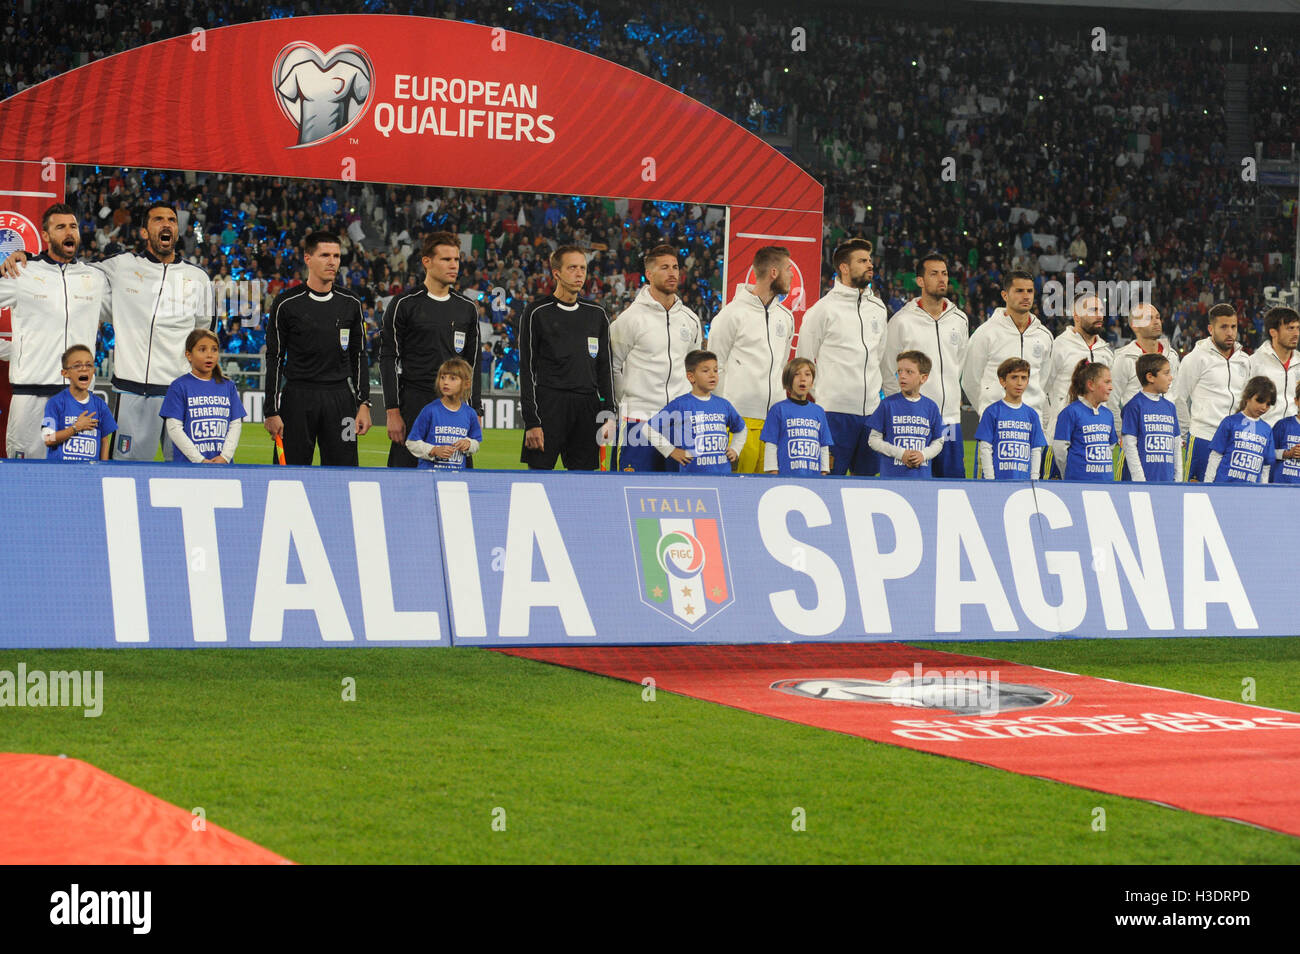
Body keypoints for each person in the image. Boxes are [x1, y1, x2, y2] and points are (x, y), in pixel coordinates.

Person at [0, 203, 110, 459]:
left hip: (78, 401)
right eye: (60, 227)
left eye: (73, 226)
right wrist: (11, 350)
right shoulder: (22, 272)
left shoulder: (94, 278)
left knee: (76, 486)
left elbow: (126, 318)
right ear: (46, 236)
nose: (68, 232)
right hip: (30, 397)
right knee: (24, 482)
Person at [263, 231, 371, 466]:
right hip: (298, 398)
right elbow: (275, 358)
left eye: (336, 255)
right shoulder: (286, 303)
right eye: (325, 255)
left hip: (341, 399)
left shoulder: (351, 303)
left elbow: (359, 356)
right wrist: (271, 410)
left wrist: (363, 403)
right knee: (289, 473)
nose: (332, 261)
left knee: (345, 472)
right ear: (308, 258)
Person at [380, 231, 481, 468]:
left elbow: (472, 364)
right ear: (427, 261)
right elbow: (388, 359)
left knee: (456, 481)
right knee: (404, 480)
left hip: (455, 407)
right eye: (446, 259)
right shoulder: (404, 304)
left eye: (456, 260)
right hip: (414, 402)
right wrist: (392, 411)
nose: (453, 265)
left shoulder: (467, 308)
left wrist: (475, 409)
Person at [794, 238, 889, 476]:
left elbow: (880, 357)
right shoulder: (822, 310)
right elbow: (803, 361)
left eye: (869, 259)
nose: (870, 264)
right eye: (862, 260)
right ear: (844, 268)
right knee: (827, 485)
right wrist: (825, 398)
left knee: (866, 488)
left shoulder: (878, 308)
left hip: (872, 414)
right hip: (833, 414)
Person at [518, 245, 615, 470]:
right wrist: (532, 422)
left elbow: (604, 369)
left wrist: (609, 414)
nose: (579, 273)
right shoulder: (536, 312)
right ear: (556, 273)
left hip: (587, 407)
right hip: (549, 406)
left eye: (583, 268)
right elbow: (526, 369)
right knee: (539, 481)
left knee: (584, 484)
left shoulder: (597, 314)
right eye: (572, 267)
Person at [611, 243, 704, 472]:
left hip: (680, 424)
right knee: (630, 496)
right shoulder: (629, 320)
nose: (672, 272)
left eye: (675, 267)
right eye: (664, 267)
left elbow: (695, 371)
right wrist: (629, 404)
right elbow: (612, 368)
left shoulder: (690, 320)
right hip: (639, 422)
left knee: (677, 497)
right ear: (649, 274)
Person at [708, 246, 797, 473]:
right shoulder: (731, 314)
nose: (792, 275)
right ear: (774, 273)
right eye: (788, 269)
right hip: (739, 420)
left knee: (768, 492)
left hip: (774, 421)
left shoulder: (786, 317)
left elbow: (782, 364)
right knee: (736, 492)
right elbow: (715, 367)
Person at [880, 253, 968, 476]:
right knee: (916, 484)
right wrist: (903, 410)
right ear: (920, 281)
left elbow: (960, 363)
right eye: (934, 274)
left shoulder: (959, 319)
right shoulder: (901, 321)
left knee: (953, 485)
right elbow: (889, 369)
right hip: (915, 420)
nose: (942, 279)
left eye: (945, 274)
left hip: (949, 420)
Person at [960, 270, 1053, 435]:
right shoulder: (986, 333)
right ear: (1005, 295)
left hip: (1032, 424)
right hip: (996, 424)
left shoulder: (1044, 336)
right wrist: (988, 411)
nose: (1026, 296)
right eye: (1019, 291)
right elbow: (970, 381)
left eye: (1029, 291)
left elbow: (1043, 382)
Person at [1175, 303, 1250, 481]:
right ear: (1211, 329)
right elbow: (1179, 398)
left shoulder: (1245, 360)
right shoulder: (1196, 358)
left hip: (1235, 440)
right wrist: (1186, 434)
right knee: (1198, 498)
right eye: (1223, 327)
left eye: (1233, 327)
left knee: (1232, 498)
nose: (1230, 332)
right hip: (1204, 438)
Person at [644, 349, 746, 474]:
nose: (712, 375)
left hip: (723, 477)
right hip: (692, 479)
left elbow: (741, 429)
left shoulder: (724, 404)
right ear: (691, 377)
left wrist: (735, 448)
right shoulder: (681, 404)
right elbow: (648, 429)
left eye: (715, 370)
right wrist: (671, 451)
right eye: (705, 371)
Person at [1043, 294, 1112, 476]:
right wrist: (1050, 424)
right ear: (1076, 315)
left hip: (1094, 442)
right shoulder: (1059, 346)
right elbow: (1041, 389)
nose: (1100, 315)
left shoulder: (1105, 351)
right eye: (1093, 310)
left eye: (1101, 310)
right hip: (1060, 439)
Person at [159, 328, 245, 463]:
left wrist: (225, 457)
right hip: (188, 468)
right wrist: (199, 460)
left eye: (214, 350)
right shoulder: (179, 386)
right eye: (202, 350)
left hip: (222, 466)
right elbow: (174, 428)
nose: (209, 355)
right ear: (189, 355)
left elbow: (235, 424)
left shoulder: (228, 386)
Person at [868, 350, 946, 479]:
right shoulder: (887, 405)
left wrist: (923, 455)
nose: (902, 376)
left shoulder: (931, 407)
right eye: (899, 371)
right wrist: (900, 453)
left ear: (923, 378)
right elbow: (873, 440)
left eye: (909, 372)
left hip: (922, 478)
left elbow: (938, 441)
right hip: (891, 478)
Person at [1109, 302, 1179, 433]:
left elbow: (1176, 396)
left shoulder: (1172, 356)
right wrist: (1122, 433)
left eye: (1157, 317)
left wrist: (1180, 432)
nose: (1156, 322)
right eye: (1149, 318)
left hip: (1166, 436)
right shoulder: (1125, 358)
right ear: (1135, 325)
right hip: (1136, 436)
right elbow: (1111, 401)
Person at [974, 357, 1047, 480]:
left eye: (1023, 378)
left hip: (1023, 481)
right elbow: (985, 448)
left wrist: (1034, 478)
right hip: (997, 479)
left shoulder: (1031, 414)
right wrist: (990, 478)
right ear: (1003, 381)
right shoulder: (992, 412)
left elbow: (1035, 449)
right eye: (1014, 377)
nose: (1019, 383)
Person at [404, 358, 482, 471]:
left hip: (456, 478)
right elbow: (411, 443)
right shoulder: (430, 411)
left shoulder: (470, 413)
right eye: (442, 377)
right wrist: (434, 450)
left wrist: (469, 444)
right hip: (428, 477)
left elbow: (476, 443)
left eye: (452, 378)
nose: (445, 382)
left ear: (466, 384)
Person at [41, 344, 116, 462]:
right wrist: (75, 427)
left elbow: (104, 441)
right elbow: (48, 439)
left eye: (89, 365)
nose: (84, 369)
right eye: (77, 365)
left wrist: (102, 470)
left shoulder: (100, 405)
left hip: (89, 475)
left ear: (93, 371)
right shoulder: (54, 403)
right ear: (65, 373)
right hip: (60, 474)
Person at [761, 357, 832, 476]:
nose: (802, 379)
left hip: (813, 477)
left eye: (807, 374)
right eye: (796, 374)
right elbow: (771, 445)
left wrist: (824, 472)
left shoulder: (818, 411)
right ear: (788, 380)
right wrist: (773, 472)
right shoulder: (778, 409)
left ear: (812, 381)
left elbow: (823, 446)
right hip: (786, 476)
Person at [1120, 352, 1182, 482]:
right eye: (1166, 373)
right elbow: (1129, 444)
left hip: (1166, 481)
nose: (1171, 378)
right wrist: (1139, 480)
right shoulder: (1134, 406)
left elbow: (1176, 445)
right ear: (1150, 377)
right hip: (1141, 483)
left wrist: (1178, 477)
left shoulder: (1170, 407)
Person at [1204, 376, 1277, 484]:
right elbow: (1216, 456)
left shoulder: (1267, 430)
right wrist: (1208, 484)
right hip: (1224, 487)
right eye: (1260, 401)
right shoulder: (1230, 422)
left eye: (1268, 404)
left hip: (1251, 492)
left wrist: (1263, 491)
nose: (1263, 407)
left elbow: (1265, 467)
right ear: (1247, 397)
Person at [1052, 360, 1116, 481]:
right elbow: (1060, 449)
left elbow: (1111, 446)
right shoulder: (1071, 412)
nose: (1111, 387)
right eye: (1107, 382)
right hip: (1078, 482)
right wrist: (1069, 473)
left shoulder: (1108, 414)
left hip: (1106, 482)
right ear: (1091, 385)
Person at [1245, 305, 1300, 429]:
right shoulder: (1254, 363)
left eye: (1298, 328)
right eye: (1290, 328)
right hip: (1264, 434)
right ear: (1273, 332)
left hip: (1294, 437)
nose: (1296, 334)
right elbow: (1243, 402)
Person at [1271, 381, 1300, 484]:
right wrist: (1288, 453)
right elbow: (1268, 454)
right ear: (1296, 401)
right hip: (1280, 486)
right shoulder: (1283, 425)